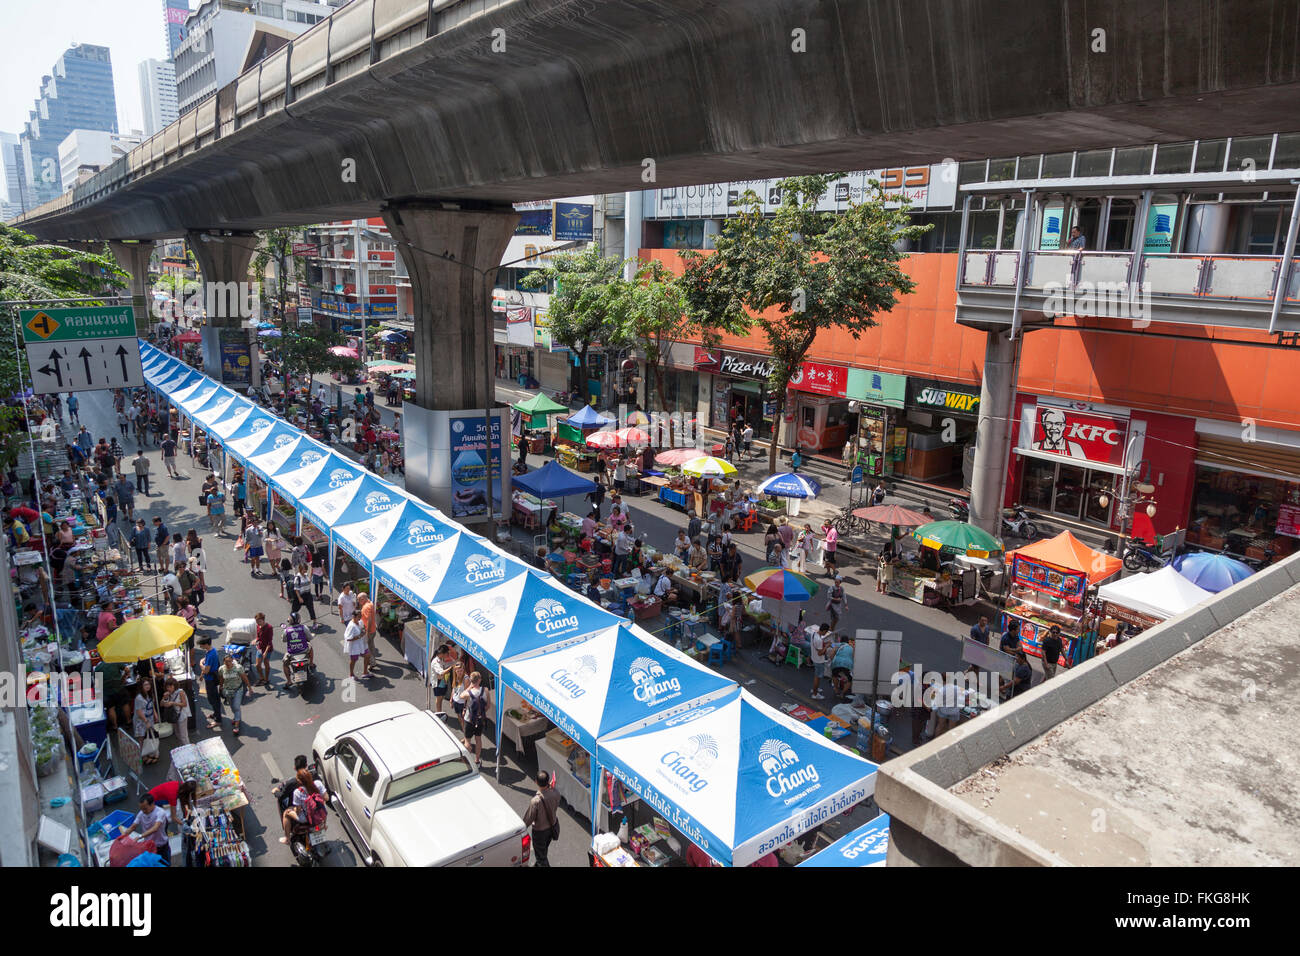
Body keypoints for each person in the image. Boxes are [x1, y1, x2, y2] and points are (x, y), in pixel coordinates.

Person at [523, 770, 561, 867]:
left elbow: (529, 818)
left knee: (541, 858)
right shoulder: (556, 793)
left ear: (536, 782)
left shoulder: (536, 801)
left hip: (539, 832)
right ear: (548, 781)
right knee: (543, 851)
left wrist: (522, 829)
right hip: (551, 828)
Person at [280, 767, 327, 846]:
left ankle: (287, 839)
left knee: (286, 813)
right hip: (321, 815)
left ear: (299, 781)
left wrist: (292, 810)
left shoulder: (298, 792)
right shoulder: (318, 783)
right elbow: (326, 798)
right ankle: (324, 826)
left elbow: (298, 811)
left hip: (306, 818)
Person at [128, 794, 172, 866]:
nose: (143, 811)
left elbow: (155, 828)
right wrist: (123, 836)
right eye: (141, 809)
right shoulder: (141, 813)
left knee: (165, 864)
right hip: (149, 847)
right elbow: (133, 826)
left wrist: (139, 836)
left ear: (152, 804)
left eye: (145, 808)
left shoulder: (160, 812)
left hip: (161, 846)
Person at [458, 671, 489, 768]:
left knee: (467, 741)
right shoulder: (486, 690)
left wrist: (469, 686)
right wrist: (481, 713)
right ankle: (477, 760)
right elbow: (488, 705)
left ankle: (467, 761)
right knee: (478, 739)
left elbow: (461, 695)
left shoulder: (468, 693)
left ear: (471, 680)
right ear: (479, 680)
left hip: (469, 719)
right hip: (479, 720)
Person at [217, 650, 253, 735]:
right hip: (227, 691)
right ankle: (236, 717)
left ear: (232, 661)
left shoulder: (238, 668)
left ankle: (236, 726)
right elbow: (221, 679)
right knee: (232, 706)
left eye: (229, 661)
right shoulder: (221, 669)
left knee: (236, 707)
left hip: (238, 690)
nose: (228, 663)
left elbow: (245, 678)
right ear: (223, 662)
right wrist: (221, 687)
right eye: (226, 662)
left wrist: (249, 687)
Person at [160, 677, 192, 746]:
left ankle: (188, 749)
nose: (169, 688)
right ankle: (182, 748)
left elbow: (184, 704)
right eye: (167, 687)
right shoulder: (167, 694)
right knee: (177, 734)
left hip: (182, 715)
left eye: (171, 686)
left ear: (174, 686)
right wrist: (165, 698)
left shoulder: (180, 692)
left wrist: (173, 703)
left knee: (183, 735)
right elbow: (161, 704)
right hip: (173, 715)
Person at [133, 678, 159, 764]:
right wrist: (146, 721)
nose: (148, 686)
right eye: (145, 685)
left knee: (149, 736)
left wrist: (155, 714)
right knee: (141, 739)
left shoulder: (150, 694)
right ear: (141, 686)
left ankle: (148, 753)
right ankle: (141, 757)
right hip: (141, 721)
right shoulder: (139, 698)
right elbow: (139, 711)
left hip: (149, 719)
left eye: (148, 684)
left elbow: (152, 705)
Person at [282, 612, 314, 680]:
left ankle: (289, 681)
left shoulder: (286, 630)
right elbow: (310, 638)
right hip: (304, 650)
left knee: (285, 664)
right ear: (299, 620)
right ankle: (311, 663)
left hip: (292, 653)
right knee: (310, 647)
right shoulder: (304, 627)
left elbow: (284, 640)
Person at [809, 623, 833, 700]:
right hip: (818, 660)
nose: (826, 634)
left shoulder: (814, 633)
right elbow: (820, 653)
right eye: (826, 632)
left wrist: (824, 644)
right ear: (824, 630)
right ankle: (815, 694)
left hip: (814, 657)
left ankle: (815, 689)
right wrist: (827, 646)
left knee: (817, 676)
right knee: (818, 677)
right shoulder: (818, 640)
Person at [343, 609, 368, 680]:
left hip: (361, 645)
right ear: (354, 616)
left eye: (361, 616)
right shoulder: (351, 626)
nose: (360, 618)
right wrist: (360, 636)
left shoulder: (360, 622)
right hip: (354, 647)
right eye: (359, 616)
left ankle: (365, 672)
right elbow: (348, 638)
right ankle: (351, 674)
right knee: (353, 660)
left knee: (368, 655)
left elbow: (363, 628)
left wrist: (364, 630)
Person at [430, 644, 455, 715]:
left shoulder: (441, 659)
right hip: (438, 682)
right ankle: (438, 713)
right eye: (447, 653)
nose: (448, 654)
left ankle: (439, 711)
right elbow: (441, 672)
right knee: (439, 698)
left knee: (441, 698)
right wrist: (451, 667)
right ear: (442, 653)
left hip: (443, 681)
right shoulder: (435, 662)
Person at [253, 612, 274, 687]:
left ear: (263, 620)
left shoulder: (269, 627)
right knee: (257, 665)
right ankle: (261, 678)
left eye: (259, 621)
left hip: (267, 649)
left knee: (266, 664)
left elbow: (269, 641)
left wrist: (265, 652)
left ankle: (266, 679)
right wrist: (256, 641)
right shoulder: (258, 627)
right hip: (260, 648)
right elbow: (258, 636)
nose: (257, 623)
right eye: (256, 621)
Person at [358, 592, 377, 668]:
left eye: (358, 600)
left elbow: (369, 620)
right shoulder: (369, 603)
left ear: (362, 599)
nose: (358, 602)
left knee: (367, 648)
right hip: (373, 630)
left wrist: (367, 632)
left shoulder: (366, 607)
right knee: (371, 645)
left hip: (369, 631)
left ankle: (372, 663)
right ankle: (373, 659)